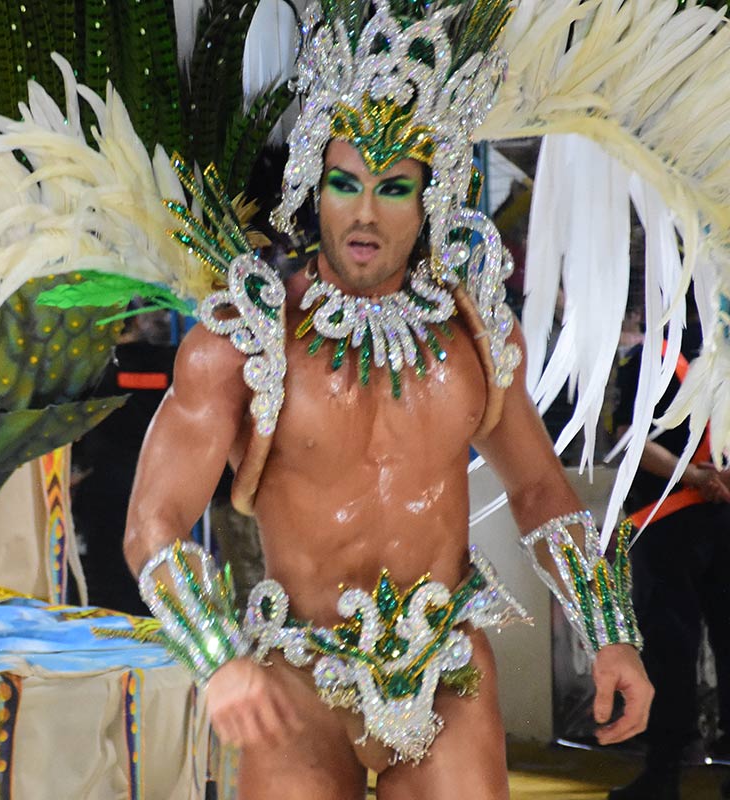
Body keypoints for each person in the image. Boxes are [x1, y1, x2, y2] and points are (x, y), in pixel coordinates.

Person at [123, 3, 653, 797]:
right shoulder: (245, 341)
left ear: (429, 200)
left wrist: (610, 634)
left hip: (449, 675)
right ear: (314, 184)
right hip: (299, 678)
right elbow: (153, 521)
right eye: (346, 183)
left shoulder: (476, 336)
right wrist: (217, 658)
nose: (365, 212)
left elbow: (541, 491)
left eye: (394, 187)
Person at [608, 324, 730, 800]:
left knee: (668, 654)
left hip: (666, 522)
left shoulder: (648, 358)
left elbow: (628, 442)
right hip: (720, 519)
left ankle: (664, 775)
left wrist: (696, 477)